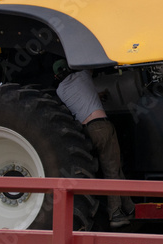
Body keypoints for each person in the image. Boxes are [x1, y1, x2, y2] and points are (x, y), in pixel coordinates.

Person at [54, 59, 133, 228]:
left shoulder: (60, 90)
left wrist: (97, 96)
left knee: (113, 168)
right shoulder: (83, 75)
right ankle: (116, 214)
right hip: (102, 127)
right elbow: (89, 64)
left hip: (85, 131)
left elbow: (81, 96)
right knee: (112, 170)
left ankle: (129, 207)